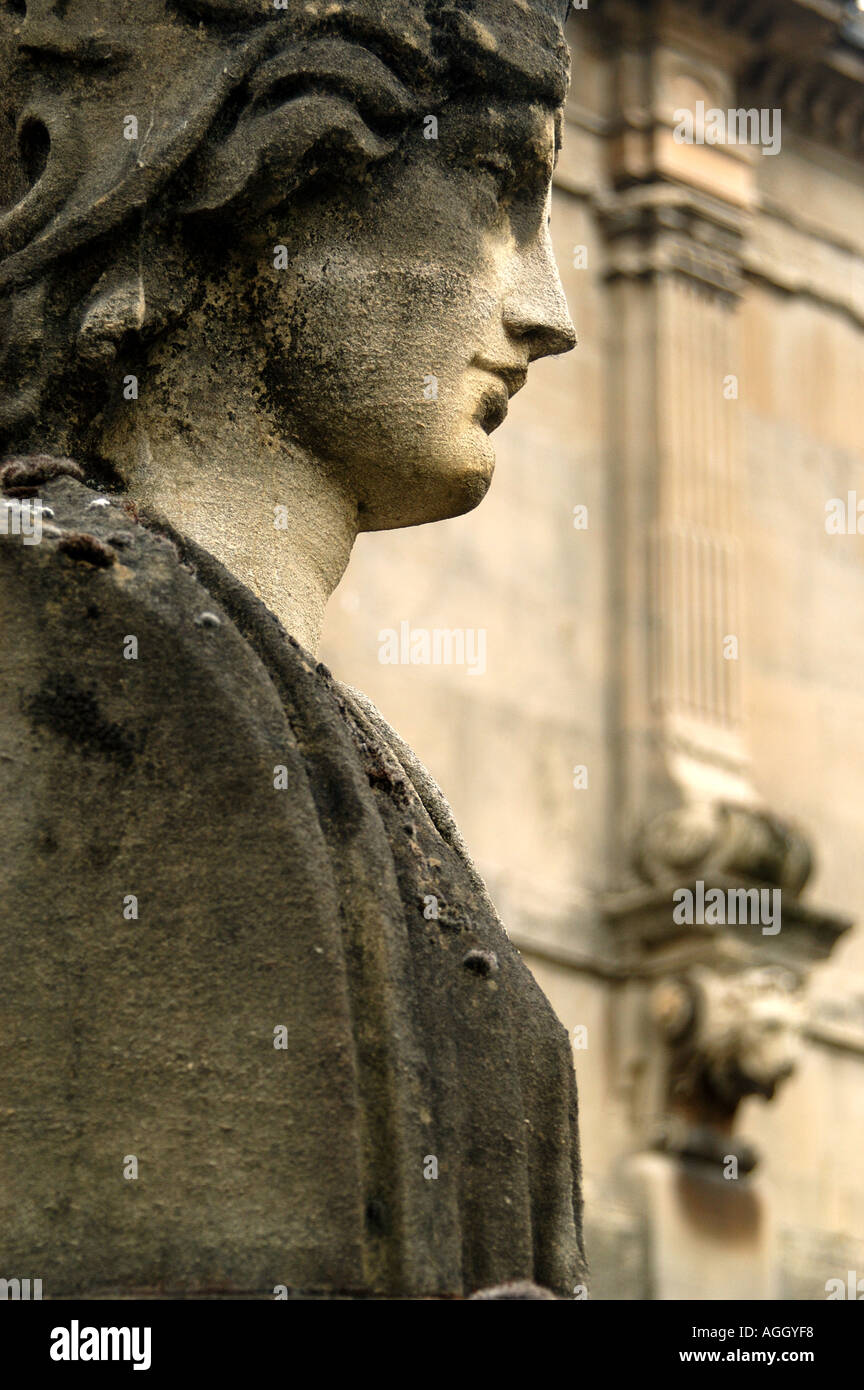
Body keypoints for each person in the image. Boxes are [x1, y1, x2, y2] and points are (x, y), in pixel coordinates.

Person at [0, 0, 584, 1298]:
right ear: (263, 169)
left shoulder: (352, 751)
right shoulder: (71, 627)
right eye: (499, 187)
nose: (550, 311)